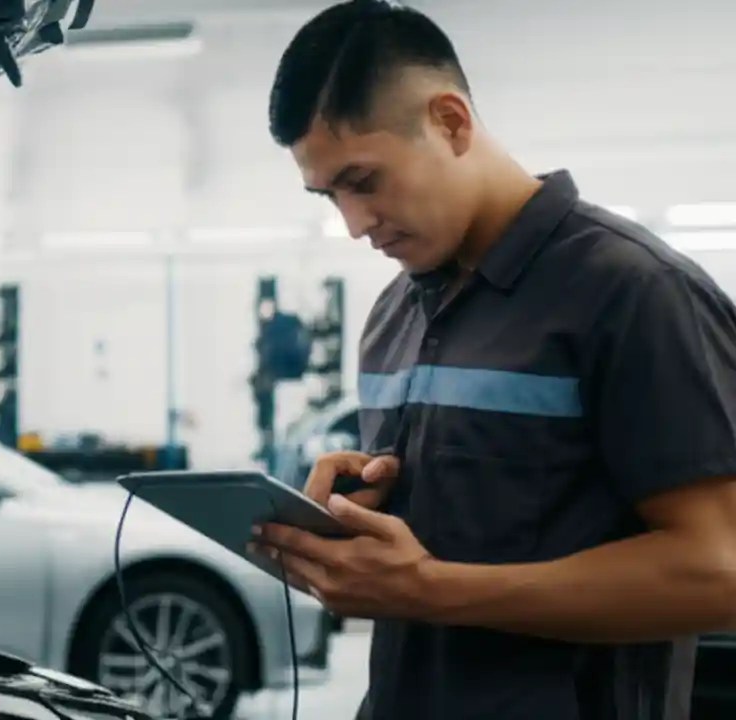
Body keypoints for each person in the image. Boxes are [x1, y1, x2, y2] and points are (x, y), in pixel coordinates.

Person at [248, 1, 736, 718]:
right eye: (329, 196)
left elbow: (717, 569)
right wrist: (348, 522)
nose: (353, 225)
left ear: (450, 122)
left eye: (364, 181)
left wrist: (430, 588)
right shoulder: (393, 316)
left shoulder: (634, 293)